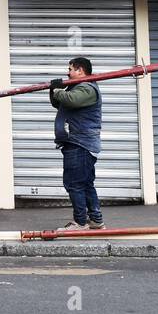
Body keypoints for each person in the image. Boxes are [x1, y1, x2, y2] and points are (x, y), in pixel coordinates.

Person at [49, 56, 106, 231]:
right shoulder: (76, 88)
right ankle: (96, 221)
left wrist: (58, 90)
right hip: (77, 144)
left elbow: (71, 99)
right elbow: (58, 103)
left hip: (80, 145)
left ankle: (80, 222)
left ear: (80, 70)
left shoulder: (87, 89)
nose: (68, 72)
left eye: (70, 69)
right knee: (85, 184)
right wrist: (54, 91)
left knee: (74, 184)